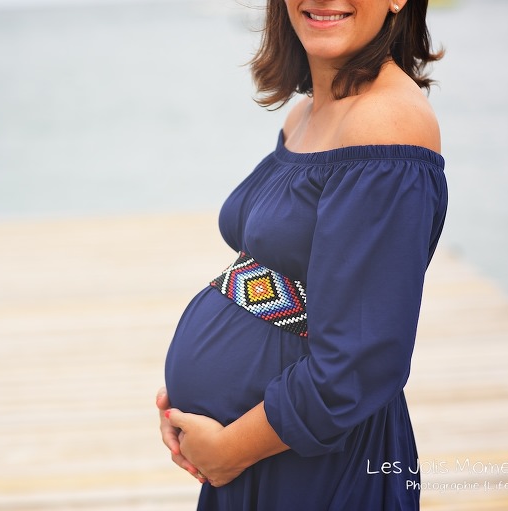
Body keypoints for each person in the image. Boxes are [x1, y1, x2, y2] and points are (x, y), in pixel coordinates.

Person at [156, 0, 447, 509]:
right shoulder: (306, 113)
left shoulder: (387, 122)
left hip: (315, 465)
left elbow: (359, 361)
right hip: (262, 454)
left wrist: (229, 448)